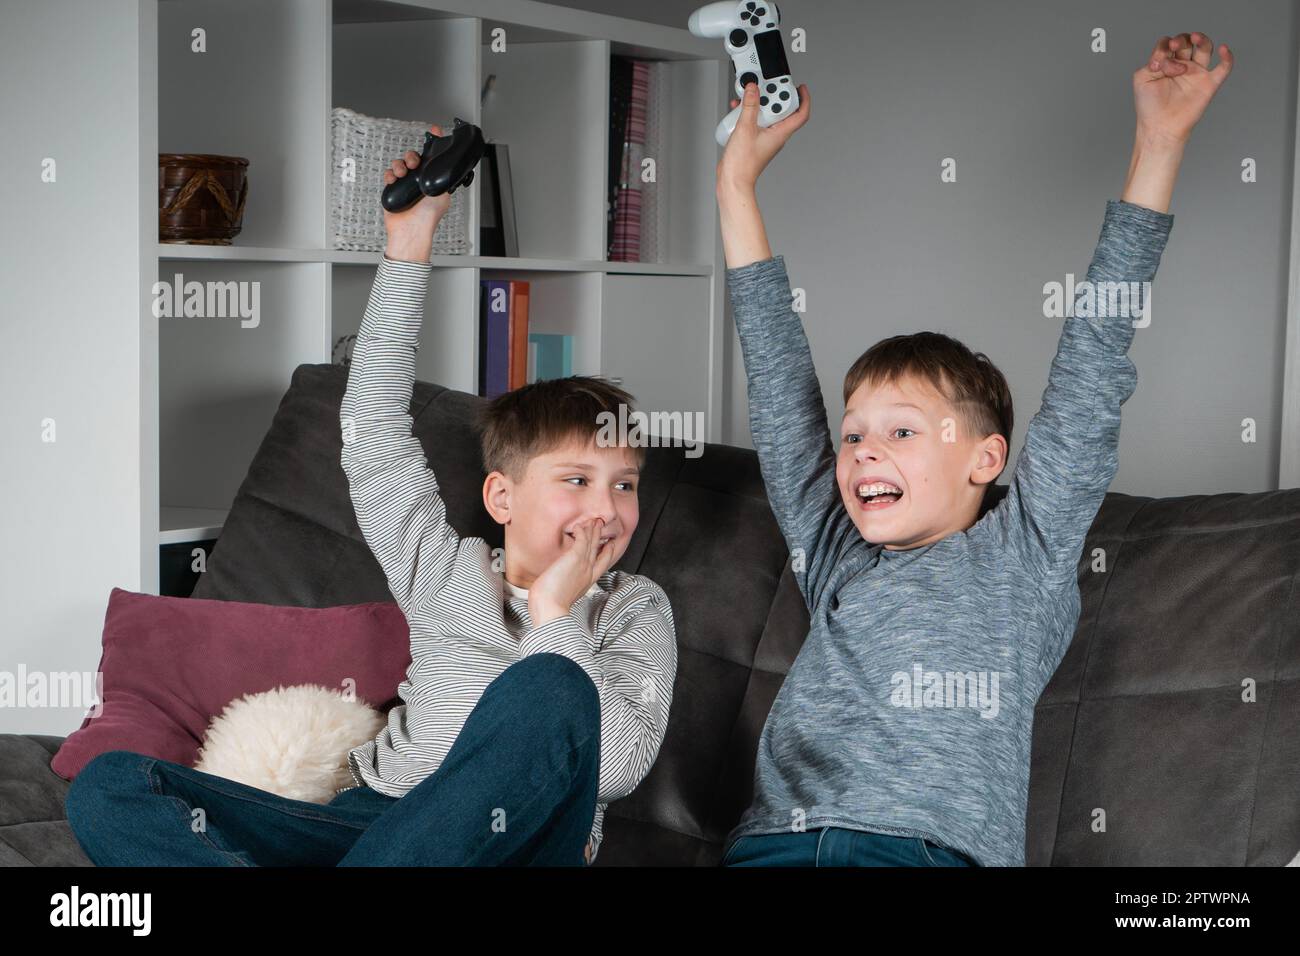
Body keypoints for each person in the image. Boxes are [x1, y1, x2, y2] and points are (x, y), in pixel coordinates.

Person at [65, 132, 678, 866]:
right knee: (113, 782)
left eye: (625, 485)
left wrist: (554, 618)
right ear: (502, 496)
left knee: (549, 689)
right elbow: (373, 428)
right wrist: (408, 247)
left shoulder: (634, 608)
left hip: (509, 849)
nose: (606, 508)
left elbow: (617, 769)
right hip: (367, 827)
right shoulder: (446, 570)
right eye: (577, 481)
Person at [714, 32, 1232, 867]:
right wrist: (736, 185)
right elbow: (777, 383)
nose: (861, 453)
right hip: (773, 849)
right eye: (852, 436)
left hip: (920, 852)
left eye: (902, 432)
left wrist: (1159, 142)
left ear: (985, 458)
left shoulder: (1023, 554)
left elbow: (1095, 358)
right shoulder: (838, 558)